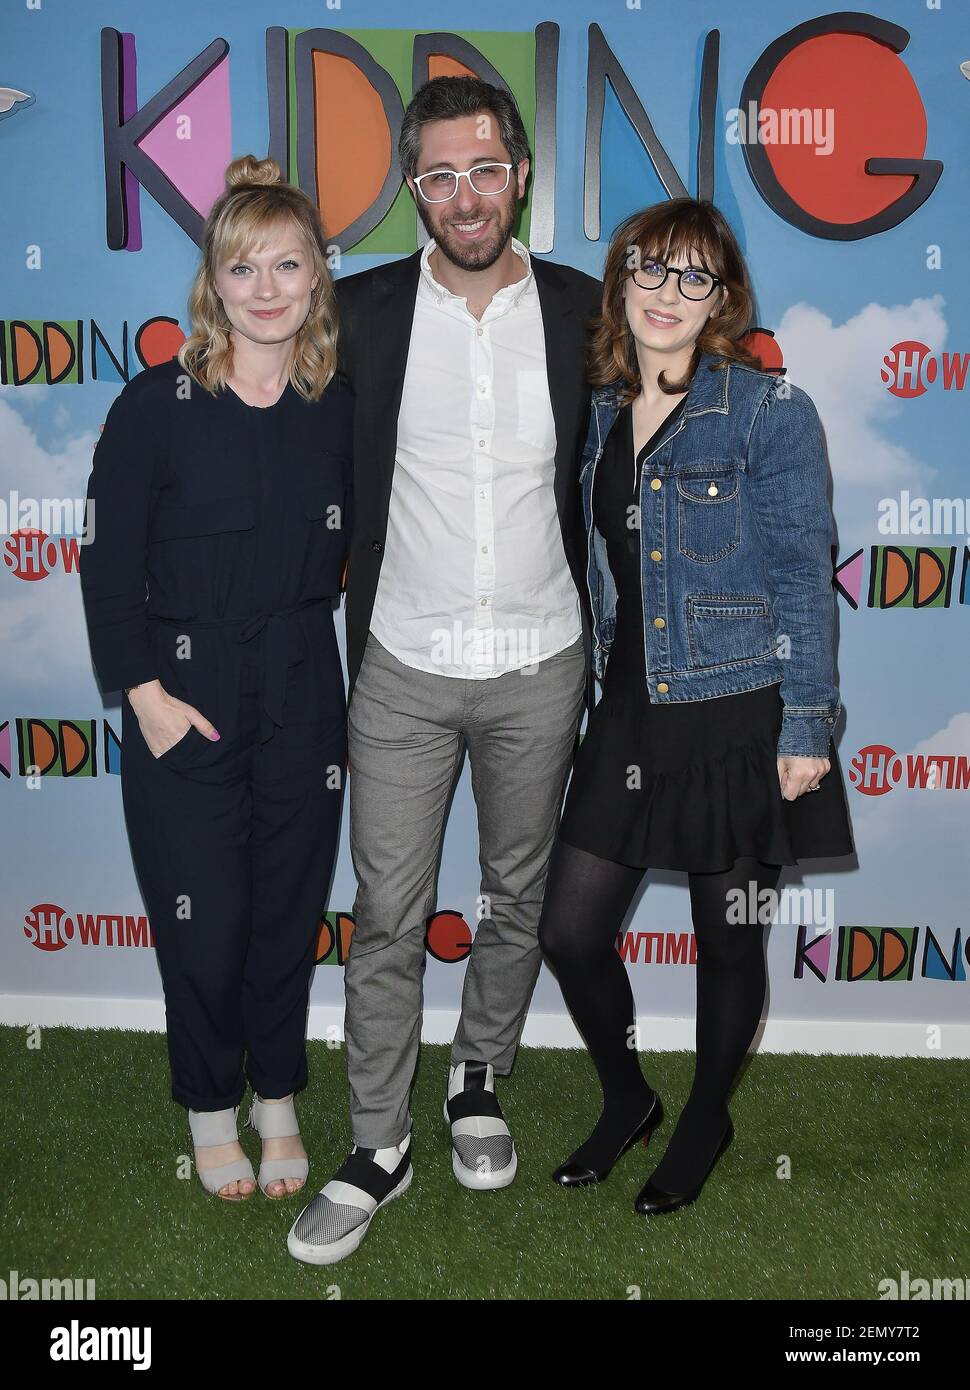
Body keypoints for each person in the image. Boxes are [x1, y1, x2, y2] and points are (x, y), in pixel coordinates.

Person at [286, 76, 601, 1266]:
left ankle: (478, 1078)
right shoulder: (362, 312)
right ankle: (379, 1143)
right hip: (404, 661)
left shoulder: (581, 310)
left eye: (483, 169)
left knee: (517, 896)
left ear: (518, 170)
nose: (463, 196)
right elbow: (262, 390)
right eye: (437, 176)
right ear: (412, 188)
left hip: (541, 659)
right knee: (386, 917)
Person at [537, 197, 855, 1216]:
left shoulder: (767, 409)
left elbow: (806, 574)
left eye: (694, 277)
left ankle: (707, 1115)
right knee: (572, 934)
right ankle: (629, 1094)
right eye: (650, 268)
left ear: (721, 299)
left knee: (730, 937)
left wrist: (805, 728)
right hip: (626, 707)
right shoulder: (594, 413)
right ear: (620, 277)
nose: (667, 293)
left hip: (737, 707)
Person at [79, 155, 353, 1202]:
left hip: (301, 686)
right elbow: (107, 560)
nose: (269, 288)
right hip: (182, 694)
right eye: (246, 268)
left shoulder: (337, 406)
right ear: (214, 283)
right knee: (204, 920)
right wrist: (141, 696)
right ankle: (208, 1105)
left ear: (318, 278)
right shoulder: (157, 403)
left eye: (290, 264)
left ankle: (276, 1095)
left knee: (288, 906)